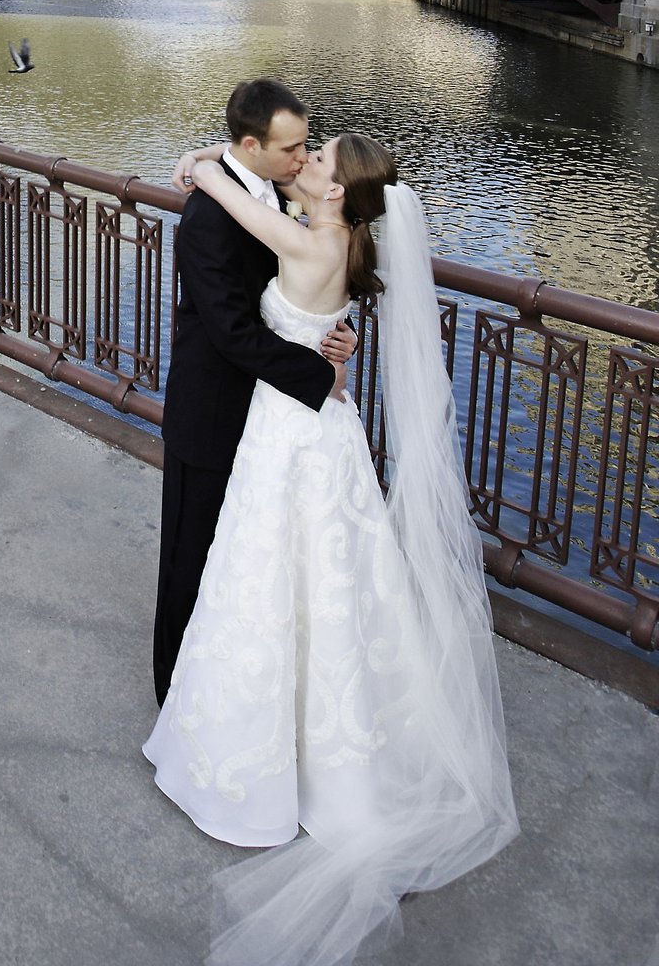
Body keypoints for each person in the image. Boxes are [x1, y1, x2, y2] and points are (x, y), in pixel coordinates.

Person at [144, 135, 518, 966]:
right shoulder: (340, 239)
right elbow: (314, 307)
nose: (305, 164)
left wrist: (199, 165)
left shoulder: (308, 235)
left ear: (341, 195)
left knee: (269, 575)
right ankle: (333, 735)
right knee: (337, 584)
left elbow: (235, 197)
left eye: (319, 162)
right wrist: (334, 354)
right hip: (328, 425)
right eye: (303, 154)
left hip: (286, 434)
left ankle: (267, 752)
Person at [152, 79, 357, 706]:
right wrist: (321, 377)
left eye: (306, 147)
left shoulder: (275, 190)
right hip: (213, 412)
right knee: (192, 560)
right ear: (252, 144)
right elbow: (233, 334)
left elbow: (311, 280)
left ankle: (234, 690)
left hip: (267, 417)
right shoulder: (208, 219)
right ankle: (174, 697)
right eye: (293, 148)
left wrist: (335, 333)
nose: (303, 158)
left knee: (244, 561)